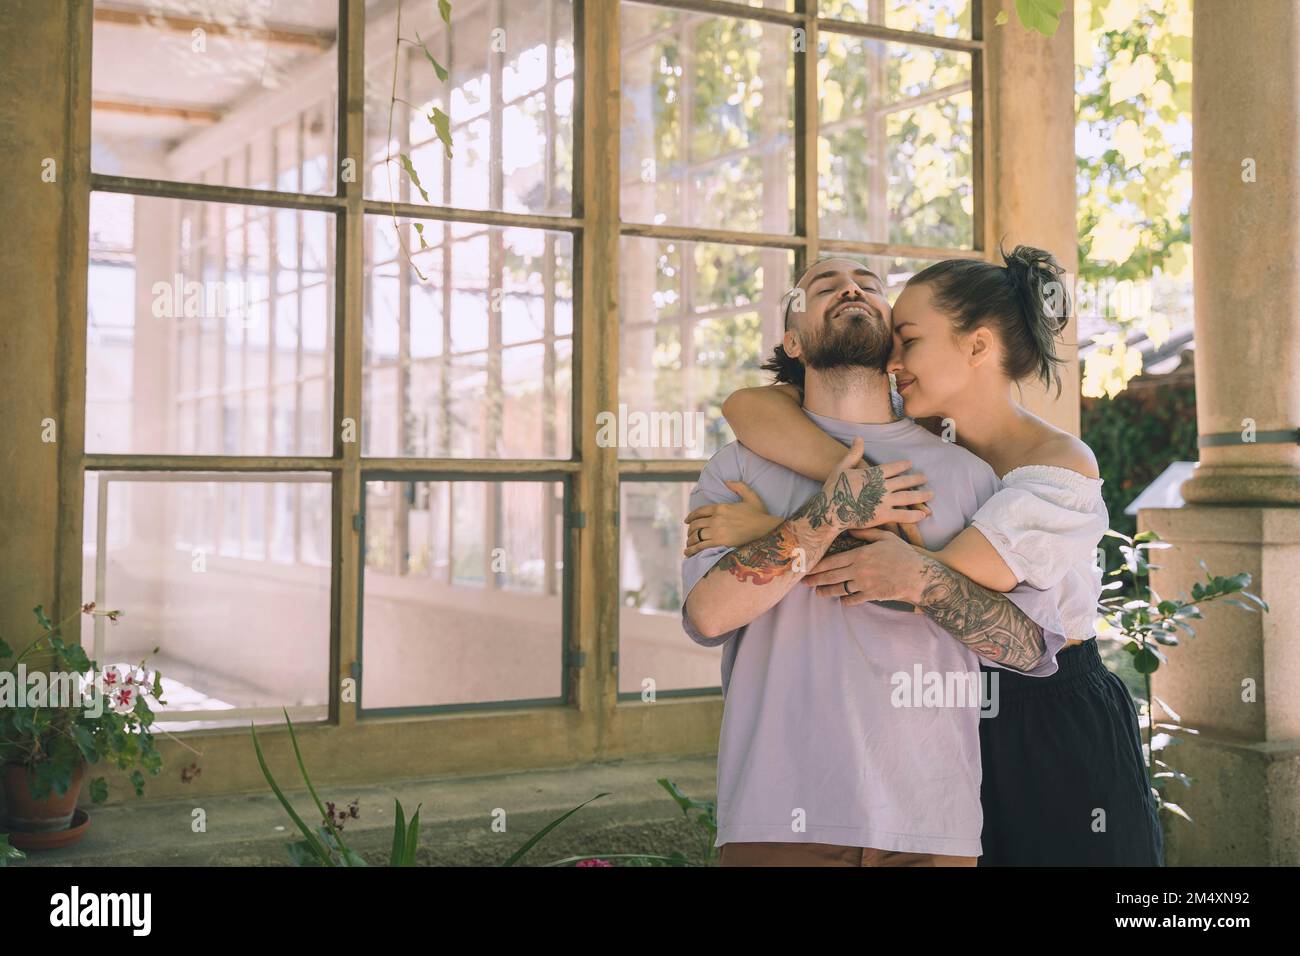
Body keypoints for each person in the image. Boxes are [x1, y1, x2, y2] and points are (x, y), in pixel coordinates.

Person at [698, 245, 1163, 866]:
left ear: (975, 347)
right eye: (894, 340)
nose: (893, 357)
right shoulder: (913, 437)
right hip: (971, 726)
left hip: (1052, 714)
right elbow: (748, 406)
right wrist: (845, 488)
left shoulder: (1051, 468)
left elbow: (910, 577)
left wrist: (769, 527)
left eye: (907, 339)